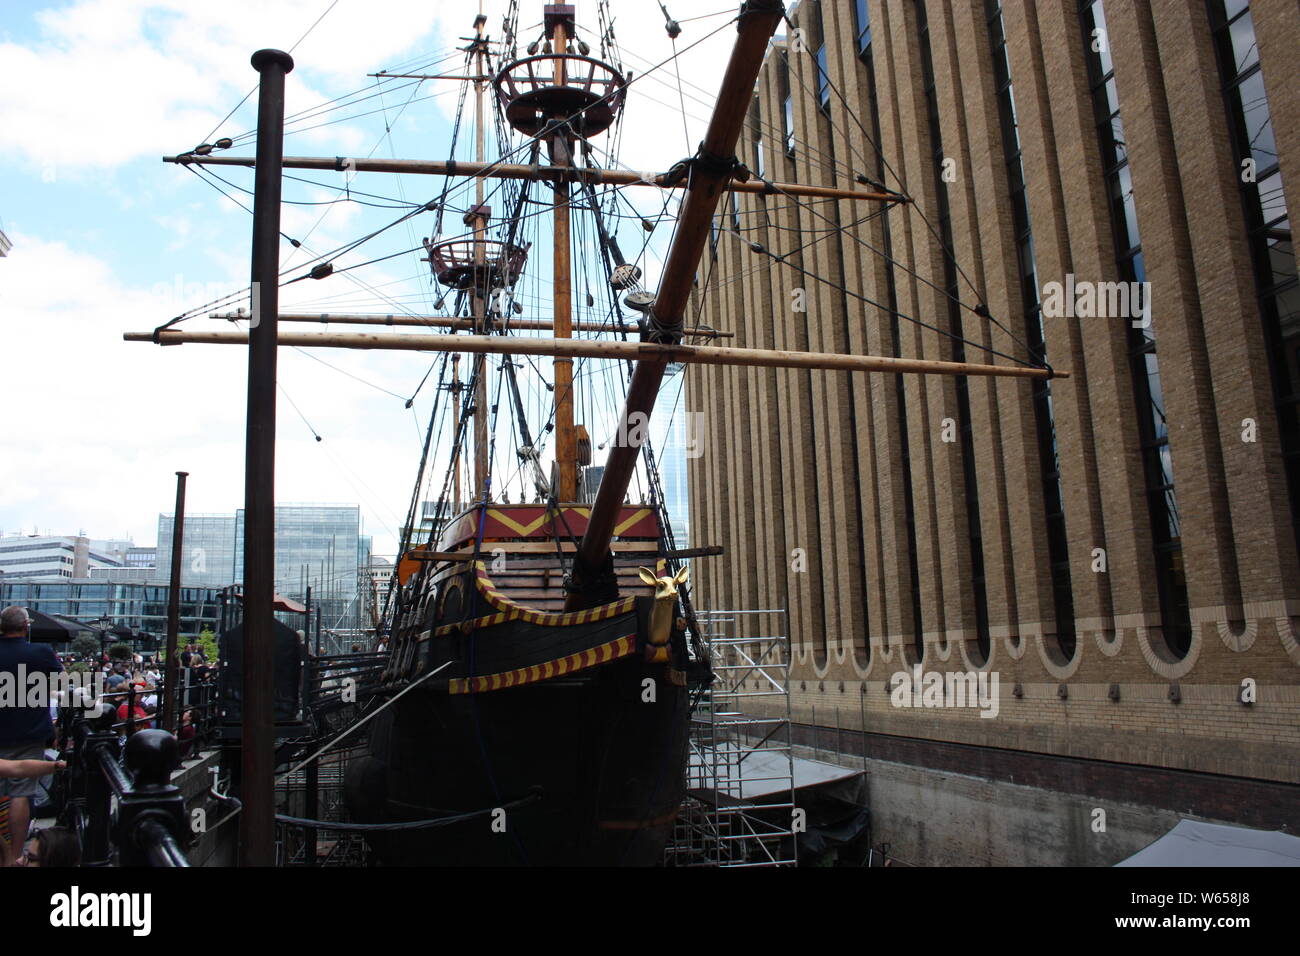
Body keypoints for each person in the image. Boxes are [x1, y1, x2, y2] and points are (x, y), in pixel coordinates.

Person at [0, 606, 64, 867]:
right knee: (21, 792)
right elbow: (61, 684)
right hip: (28, 732)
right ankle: (15, 855)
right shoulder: (40, 652)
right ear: (26, 626)